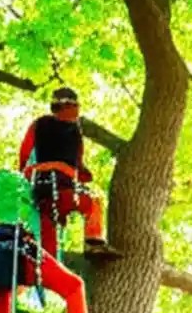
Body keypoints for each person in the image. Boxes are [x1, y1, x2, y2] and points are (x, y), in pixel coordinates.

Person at [17, 87, 120, 259]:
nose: (77, 110)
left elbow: (76, 161)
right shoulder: (42, 125)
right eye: (74, 106)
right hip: (50, 186)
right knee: (92, 203)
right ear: (64, 106)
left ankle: (50, 258)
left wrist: (81, 174)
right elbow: (25, 152)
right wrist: (24, 174)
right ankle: (92, 244)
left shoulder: (73, 131)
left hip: (58, 186)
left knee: (54, 232)